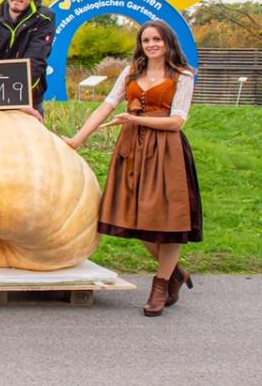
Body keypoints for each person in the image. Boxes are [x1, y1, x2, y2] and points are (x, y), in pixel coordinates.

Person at [63, 20, 201, 317]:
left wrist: (136, 120)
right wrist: (78, 139)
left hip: (167, 153)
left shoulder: (182, 75)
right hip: (133, 152)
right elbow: (106, 106)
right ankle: (176, 272)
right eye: (146, 39)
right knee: (137, 219)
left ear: (168, 43)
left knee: (169, 225)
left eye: (157, 40)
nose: (151, 44)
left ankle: (161, 285)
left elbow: (177, 121)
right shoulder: (131, 72)